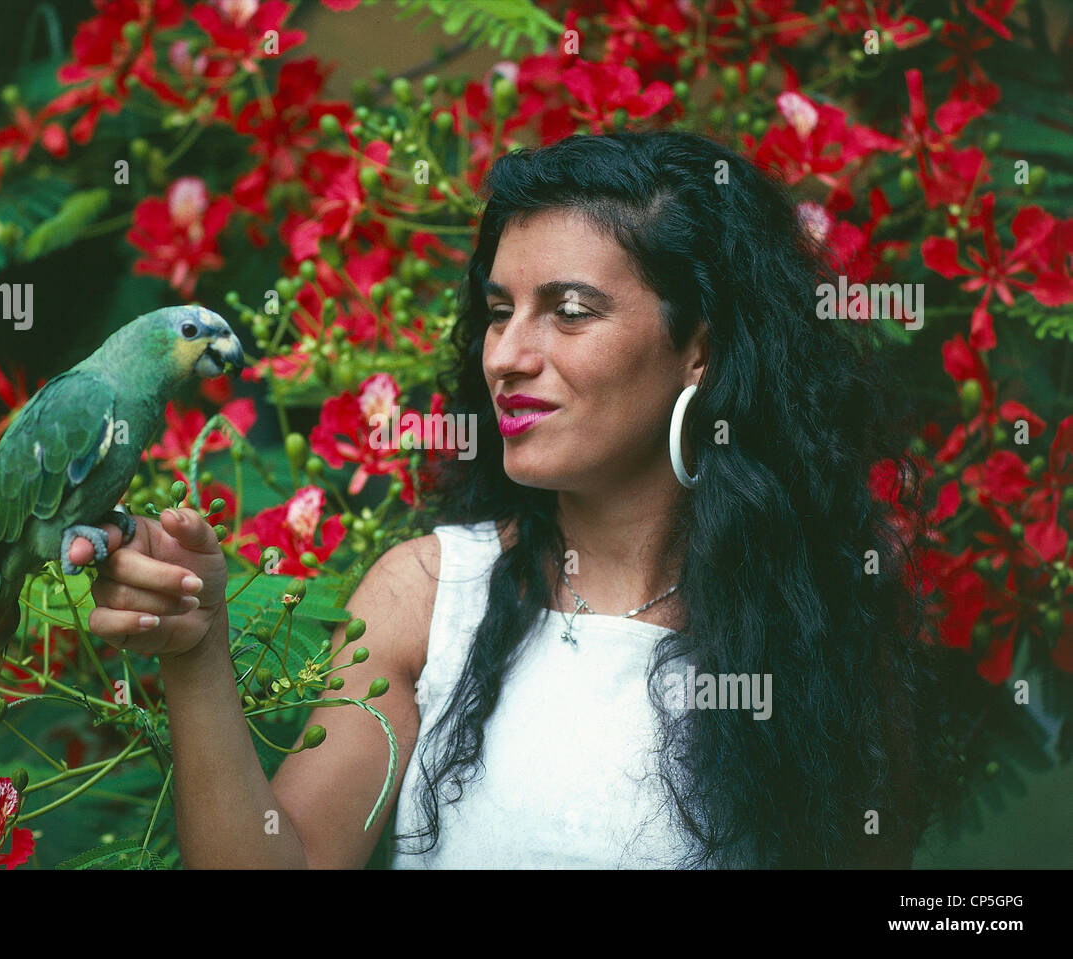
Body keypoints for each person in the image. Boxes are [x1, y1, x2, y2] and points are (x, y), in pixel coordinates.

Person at [66, 130, 957, 869]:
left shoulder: (815, 622)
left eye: (569, 311)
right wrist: (196, 651)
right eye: (499, 311)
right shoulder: (426, 596)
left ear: (701, 350)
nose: (506, 356)